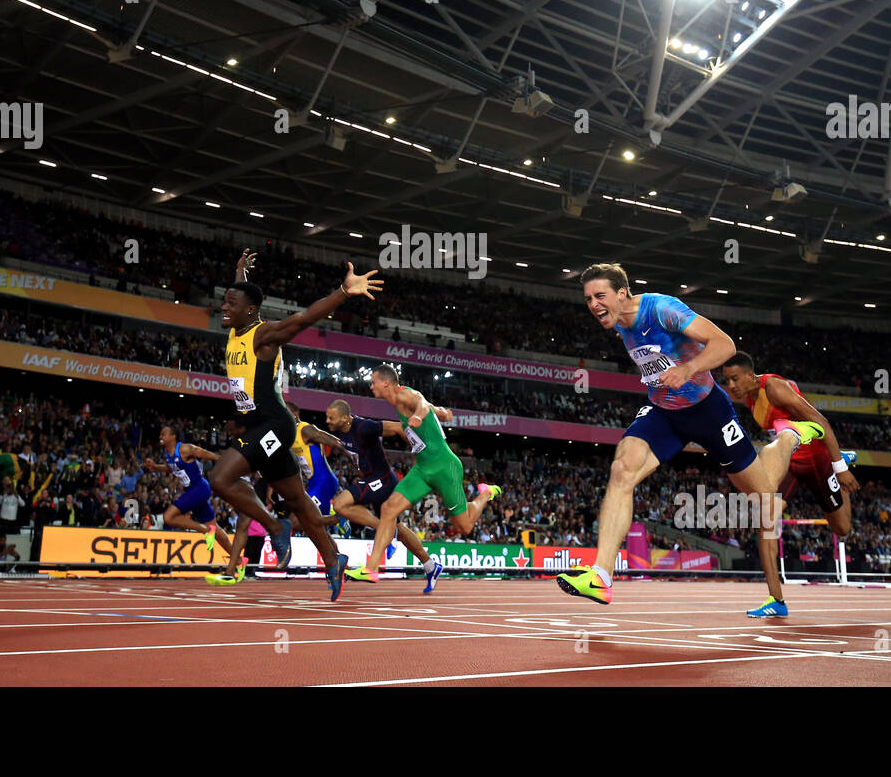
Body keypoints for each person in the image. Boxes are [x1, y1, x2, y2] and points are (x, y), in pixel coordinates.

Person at [555, 263, 822, 615]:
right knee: (622, 468)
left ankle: (789, 436)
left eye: (600, 296)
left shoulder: (661, 309)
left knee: (764, 493)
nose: (593, 304)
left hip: (708, 411)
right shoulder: (620, 325)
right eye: (588, 298)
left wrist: (688, 368)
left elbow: (725, 344)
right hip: (664, 413)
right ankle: (601, 576)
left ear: (622, 293)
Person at [205, 248, 382, 602]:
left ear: (248, 310)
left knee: (220, 478)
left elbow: (303, 319)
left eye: (230, 304)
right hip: (258, 426)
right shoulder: (239, 323)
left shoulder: (264, 336)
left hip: (274, 425)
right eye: (224, 302)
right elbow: (243, 296)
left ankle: (274, 526)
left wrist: (343, 293)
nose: (224, 308)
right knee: (299, 501)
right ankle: (334, 558)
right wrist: (240, 272)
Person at [345, 365, 500, 583]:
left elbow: (421, 402)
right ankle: (371, 569)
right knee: (388, 508)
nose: (371, 386)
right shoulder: (397, 405)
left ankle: (485, 493)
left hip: (445, 467)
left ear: (386, 383)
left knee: (464, 526)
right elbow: (430, 407)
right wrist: (442, 413)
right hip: (423, 469)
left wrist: (419, 415)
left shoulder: (405, 395)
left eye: (374, 382)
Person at [720, 351, 858, 540]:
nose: (731, 386)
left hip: (815, 457)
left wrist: (839, 468)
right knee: (767, 514)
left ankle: (842, 461)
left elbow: (822, 422)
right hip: (789, 461)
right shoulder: (747, 395)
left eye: (734, 379)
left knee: (841, 528)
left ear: (750, 375)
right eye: (727, 380)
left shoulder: (774, 388)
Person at [325, 397, 447, 593]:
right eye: (327, 417)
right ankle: (431, 566)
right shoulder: (340, 431)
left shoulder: (364, 426)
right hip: (372, 478)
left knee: (340, 504)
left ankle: (387, 533)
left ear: (346, 418)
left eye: (331, 418)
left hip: (382, 479)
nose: (328, 421)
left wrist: (419, 453)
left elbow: (399, 427)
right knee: (396, 525)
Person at [141, 426, 232, 554]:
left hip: (199, 488)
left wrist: (220, 459)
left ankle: (206, 530)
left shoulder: (183, 448)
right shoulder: (168, 454)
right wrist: (155, 466)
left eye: (164, 434)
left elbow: (200, 451)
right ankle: (238, 560)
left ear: (173, 437)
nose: (161, 436)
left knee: (168, 517)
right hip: (193, 492)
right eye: (160, 434)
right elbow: (171, 468)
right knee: (215, 528)